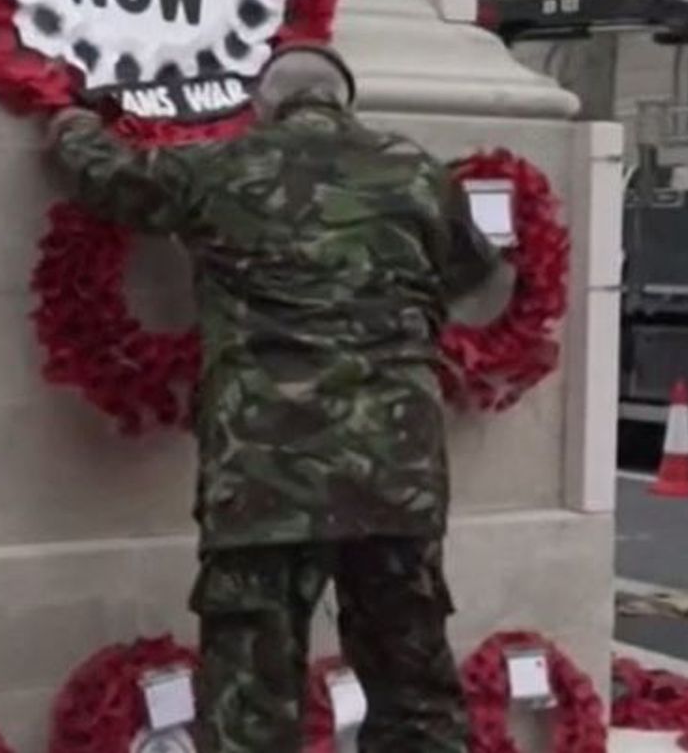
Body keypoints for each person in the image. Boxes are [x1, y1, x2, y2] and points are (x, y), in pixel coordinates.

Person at [45, 44, 501, 753]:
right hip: (395, 466)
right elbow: (471, 267)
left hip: (267, 468)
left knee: (252, 698)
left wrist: (69, 120)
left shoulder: (223, 166)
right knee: (413, 684)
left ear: (264, 105)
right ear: (346, 102)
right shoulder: (417, 171)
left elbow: (111, 180)